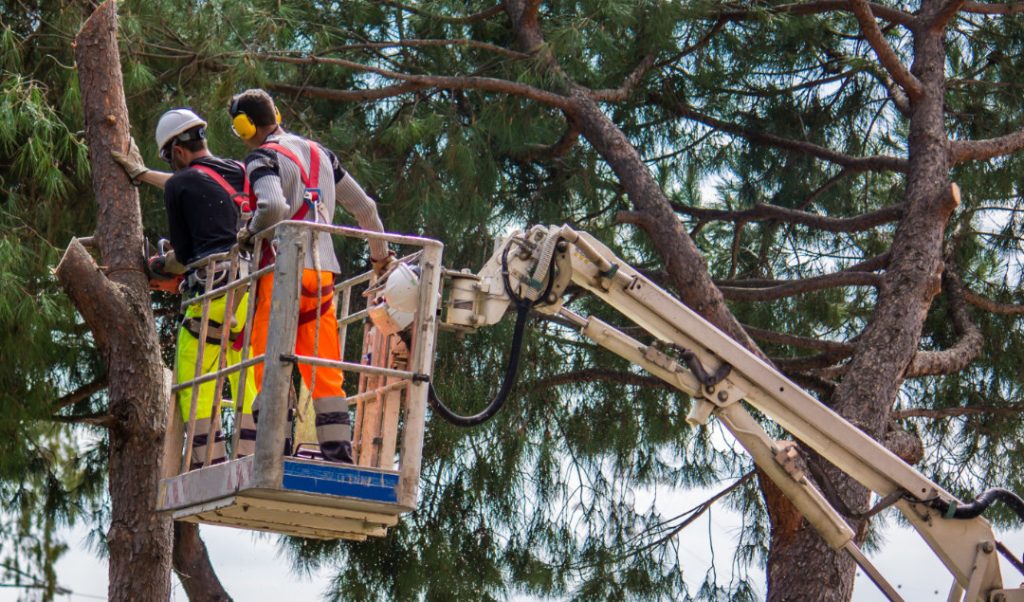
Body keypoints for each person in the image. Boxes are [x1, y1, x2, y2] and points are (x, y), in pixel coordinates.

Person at [229, 88, 395, 464]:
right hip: (322, 275)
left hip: (280, 270)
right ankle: (337, 453)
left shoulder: (261, 158)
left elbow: (273, 207)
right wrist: (379, 261)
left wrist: (249, 235)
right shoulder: (323, 155)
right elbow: (366, 210)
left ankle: (274, 449)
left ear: (245, 126)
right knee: (323, 365)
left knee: (266, 359)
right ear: (278, 116)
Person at [111, 108, 258, 469]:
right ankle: (254, 454)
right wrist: (144, 175)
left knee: (196, 374)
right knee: (247, 369)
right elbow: (201, 181)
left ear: (176, 151)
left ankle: (208, 463)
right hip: (251, 286)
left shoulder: (180, 185)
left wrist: (159, 266)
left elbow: (185, 256)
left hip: (214, 290)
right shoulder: (239, 171)